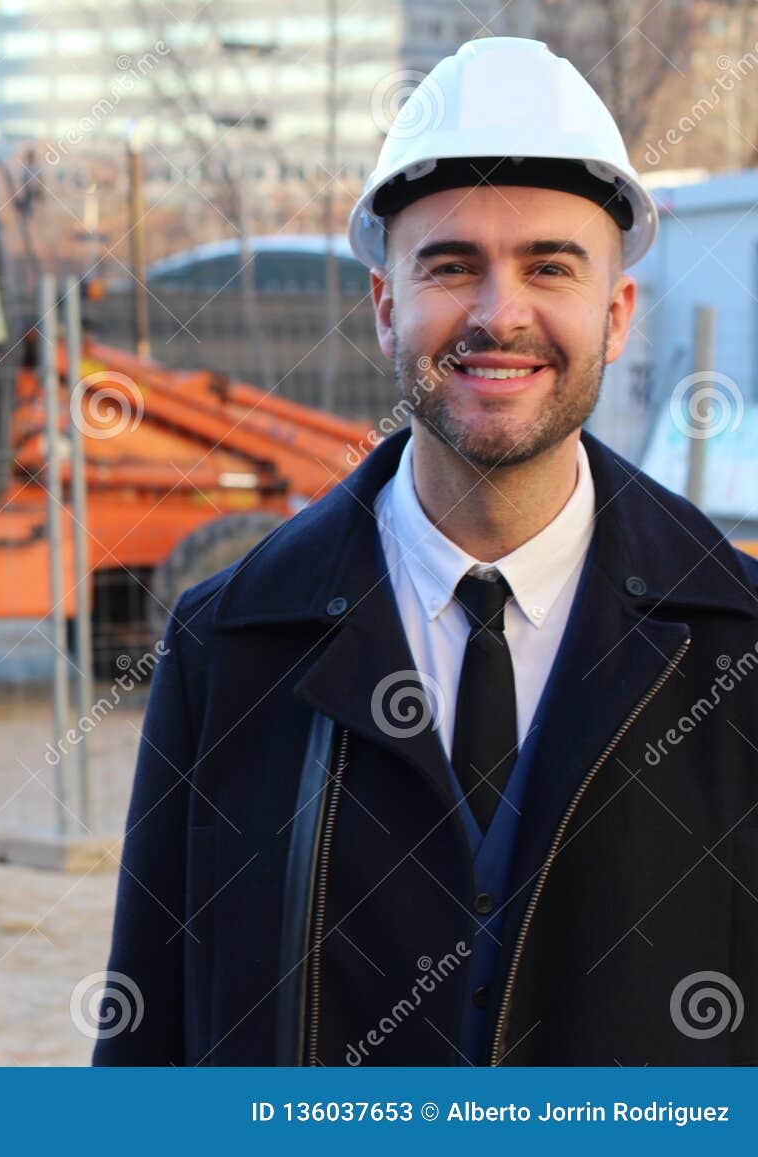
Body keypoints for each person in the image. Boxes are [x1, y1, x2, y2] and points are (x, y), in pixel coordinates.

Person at [92, 36, 758, 1066]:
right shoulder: (230, 645)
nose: (499, 313)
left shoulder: (734, 642)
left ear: (616, 313)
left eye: (549, 266)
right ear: (384, 305)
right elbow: (149, 1047)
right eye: (451, 266)